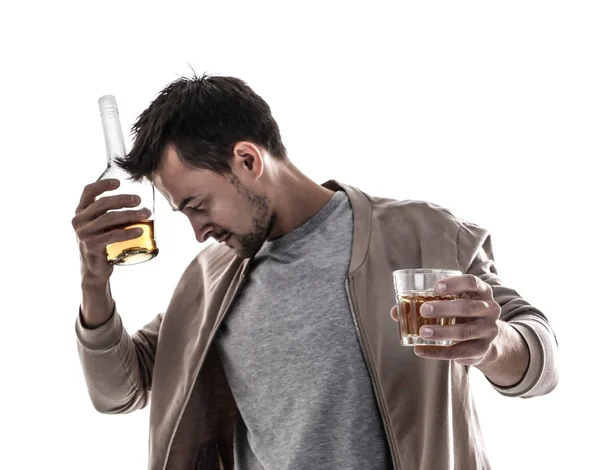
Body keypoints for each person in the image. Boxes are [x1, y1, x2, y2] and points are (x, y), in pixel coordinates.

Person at [72, 74, 559, 470]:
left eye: (199, 205)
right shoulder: (207, 282)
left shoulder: (423, 234)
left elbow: (541, 361)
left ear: (247, 159)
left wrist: (493, 343)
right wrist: (94, 282)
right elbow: (120, 392)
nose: (198, 232)